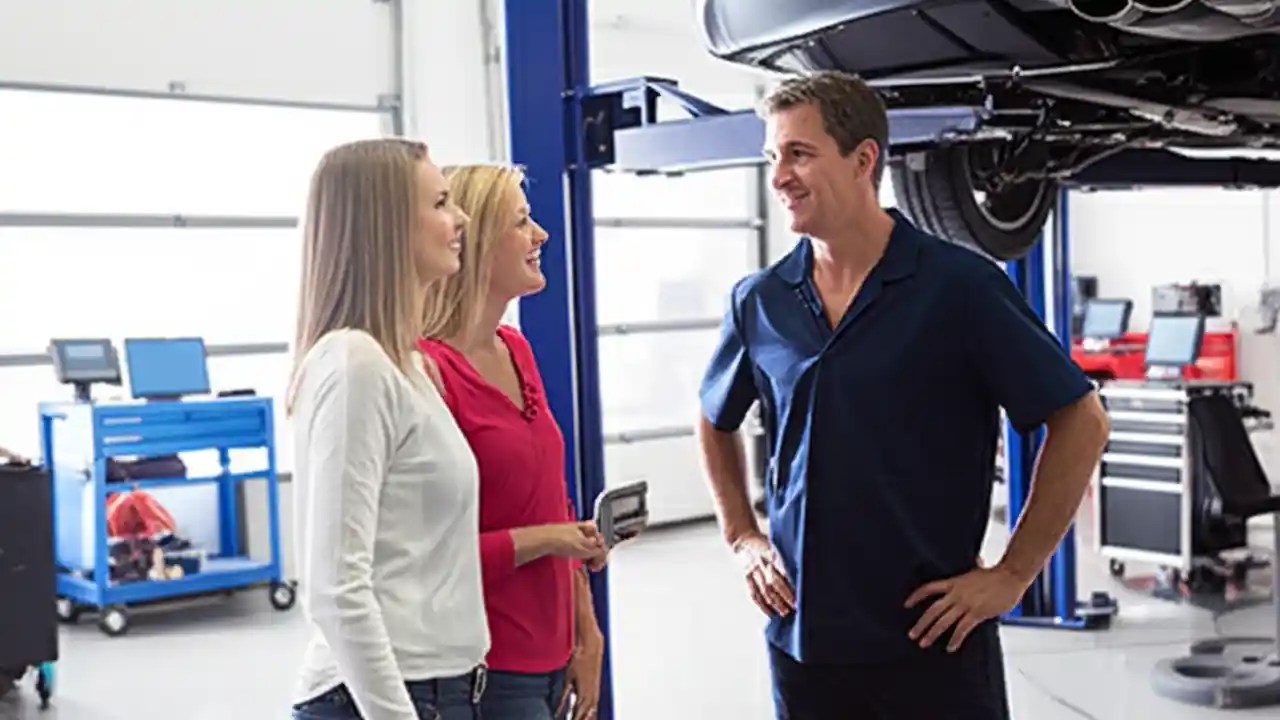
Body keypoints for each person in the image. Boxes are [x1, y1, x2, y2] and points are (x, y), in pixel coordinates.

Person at [696, 71, 1111, 719]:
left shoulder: (959, 287)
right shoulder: (760, 301)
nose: (779, 176)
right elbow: (712, 418)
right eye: (772, 156)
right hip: (805, 644)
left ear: (864, 160)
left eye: (799, 154)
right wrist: (742, 537)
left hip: (933, 641)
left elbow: (1080, 418)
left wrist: (1012, 574)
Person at [287, 138, 490, 720]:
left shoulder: (407, 364)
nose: (461, 220)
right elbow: (334, 588)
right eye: (442, 204)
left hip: (443, 688)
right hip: (385, 698)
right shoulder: (355, 364)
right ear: (387, 226)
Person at [418, 163, 608, 720]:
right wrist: (550, 538)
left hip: (553, 655)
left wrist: (586, 630)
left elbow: (556, 503)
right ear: (472, 242)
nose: (541, 235)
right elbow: (425, 555)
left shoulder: (516, 348)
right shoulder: (429, 372)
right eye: (521, 222)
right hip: (484, 669)